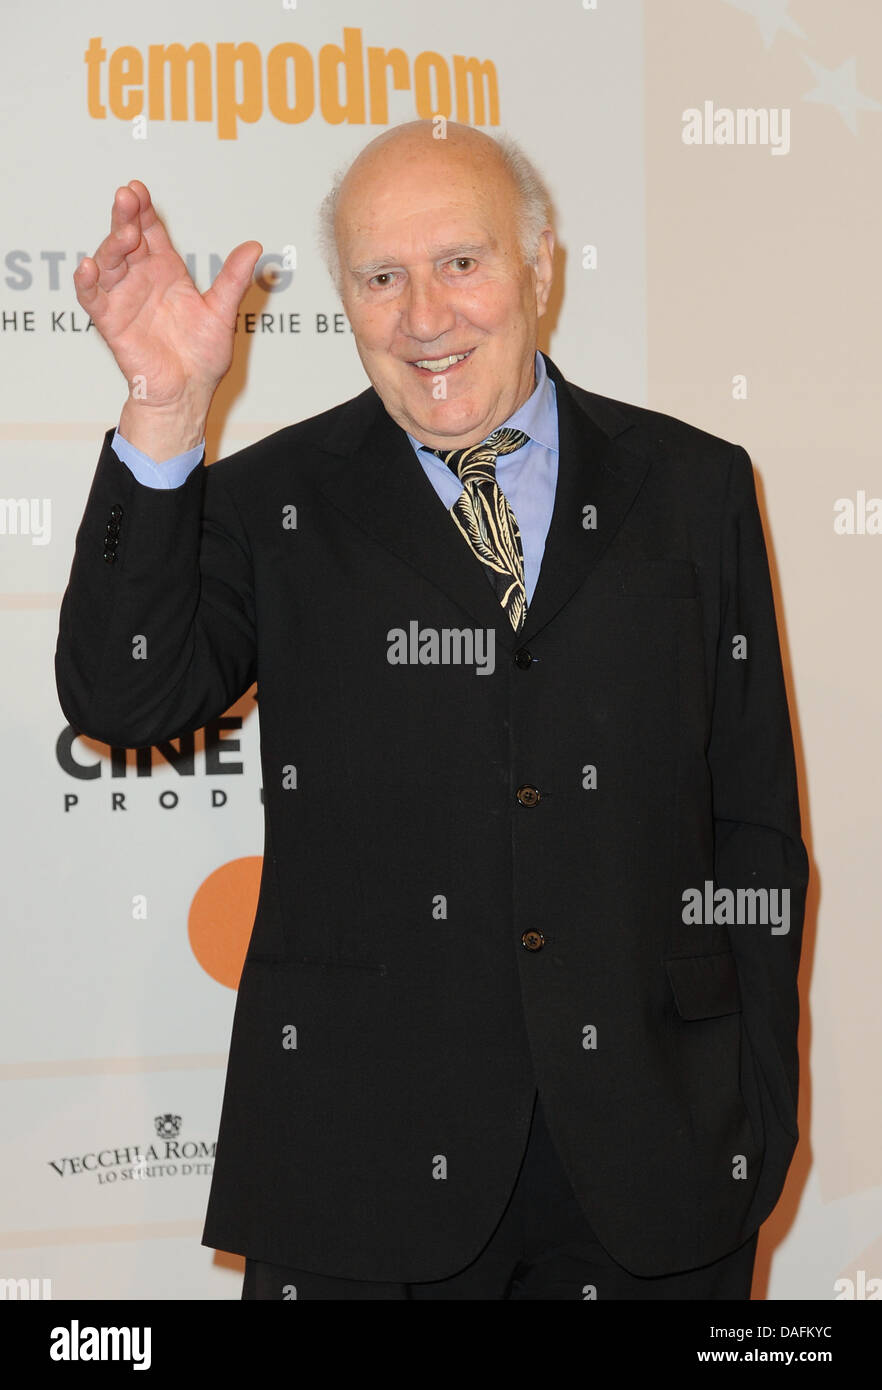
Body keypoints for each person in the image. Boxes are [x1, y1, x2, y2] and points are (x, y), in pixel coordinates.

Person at [56, 120, 808, 1300]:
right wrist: (164, 413)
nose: (424, 315)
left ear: (541, 265)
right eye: (382, 276)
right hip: (359, 1177)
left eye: (462, 261)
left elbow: (755, 821)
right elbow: (124, 691)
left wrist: (758, 1098)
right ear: (346, 299)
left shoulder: (694, 486)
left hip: (657, 1165)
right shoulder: (274, 502)